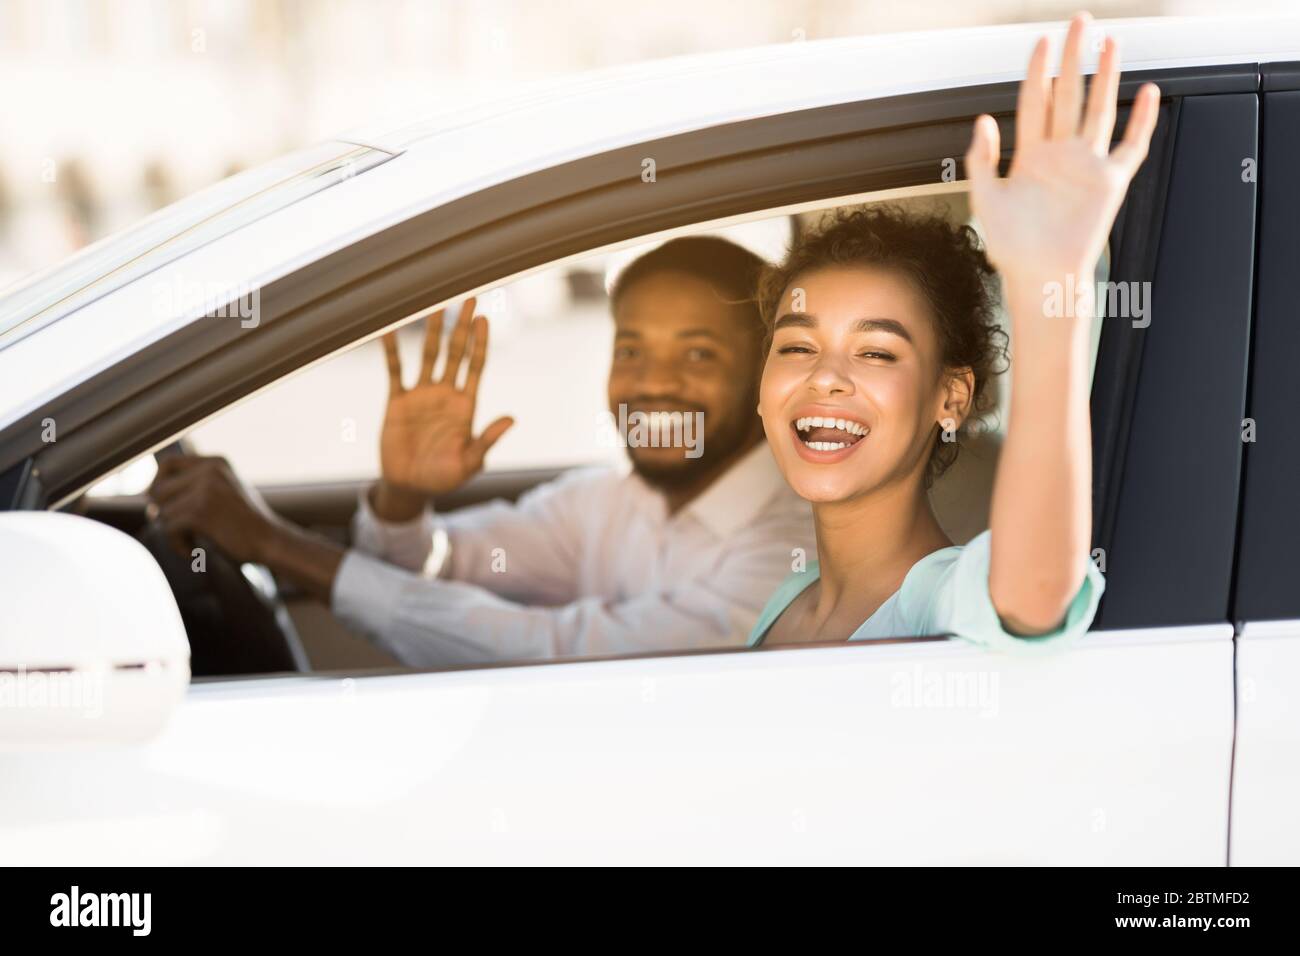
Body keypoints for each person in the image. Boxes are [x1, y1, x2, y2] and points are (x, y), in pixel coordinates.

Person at [149, 237, 815, 666]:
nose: (653, 384)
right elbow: (439, 565)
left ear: (764, 375)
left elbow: (553, 651)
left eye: (698, 354)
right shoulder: (606, 502)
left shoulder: (788, 552)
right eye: (631, 350)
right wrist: (405, 498)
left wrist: (271, 542)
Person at [749, 14, 1156, 651]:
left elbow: (1037, 590)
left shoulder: (940, 598)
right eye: (797, 347)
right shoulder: (783, 607)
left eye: (877, 351)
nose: (824, 377)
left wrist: (1050, 281)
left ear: (952, 398)